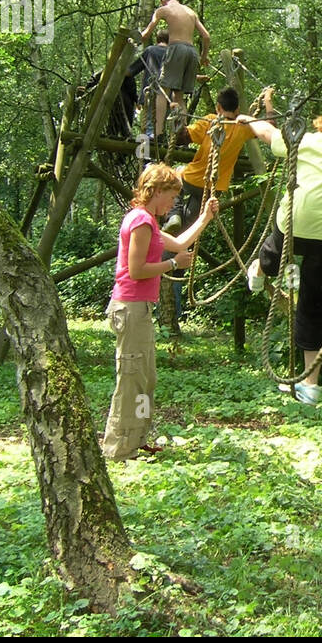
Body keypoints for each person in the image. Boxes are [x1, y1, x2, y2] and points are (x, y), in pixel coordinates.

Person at [247, 98, 322, 405]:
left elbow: (266, 133)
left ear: (320, 124)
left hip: (296, 225)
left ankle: (260, 270)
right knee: (313, 308)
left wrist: (248, 118)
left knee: (273, 255)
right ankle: (310, 386)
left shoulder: (306, 141)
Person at [102, 161, 218, 460]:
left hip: (140, 310)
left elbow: (179, 242)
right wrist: (172, 265)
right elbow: (136, 269)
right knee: (131, 379)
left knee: (146, 378)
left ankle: (137, 439)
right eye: (171, 196)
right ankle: (118, 448)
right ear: (155, 191)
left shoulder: (149, 222)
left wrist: (204, 218)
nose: (173, 203)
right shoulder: (139, 221)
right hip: (130, 308)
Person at [173, 85, 274, 224]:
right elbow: (271, 126)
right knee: (191, 224)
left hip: (193, 179)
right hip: (215, 187)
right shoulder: (243, 128)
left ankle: (174, 213)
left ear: (218, 107)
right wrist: (268, 100)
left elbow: (181, 139)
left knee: (176, 172)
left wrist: (177, 118)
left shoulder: (210, 121)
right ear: (237, 110)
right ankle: (181, 232)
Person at [140, 0, 211, 139]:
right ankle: (181, 135)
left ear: (162, 0)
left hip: (176, 49)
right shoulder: (191, 12)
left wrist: (132, 39)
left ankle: (157, 132)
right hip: (192, 52)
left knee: (162, 90)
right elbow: (206, 36)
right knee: (178, 95)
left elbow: (146, 34)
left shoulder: (164, 10)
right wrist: (204, 57)